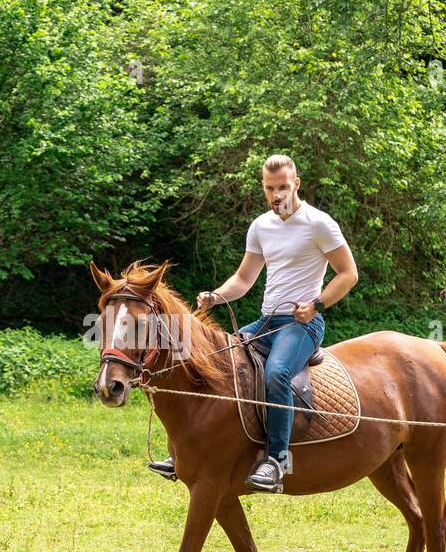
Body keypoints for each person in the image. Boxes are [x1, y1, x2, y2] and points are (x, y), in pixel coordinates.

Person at [148, 154, 358, 492]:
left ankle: (276, 461)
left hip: (302, 324)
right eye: (270, 189)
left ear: (297, 184)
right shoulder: (261, 226)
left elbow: (349, 274)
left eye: (283, 188)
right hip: (267, 322)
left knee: (276, 373)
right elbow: (244, 279)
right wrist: (216, 296)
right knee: (214, 361)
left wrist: (317, 305)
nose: (277, 196)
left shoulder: (319, 224)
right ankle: (185, 453)